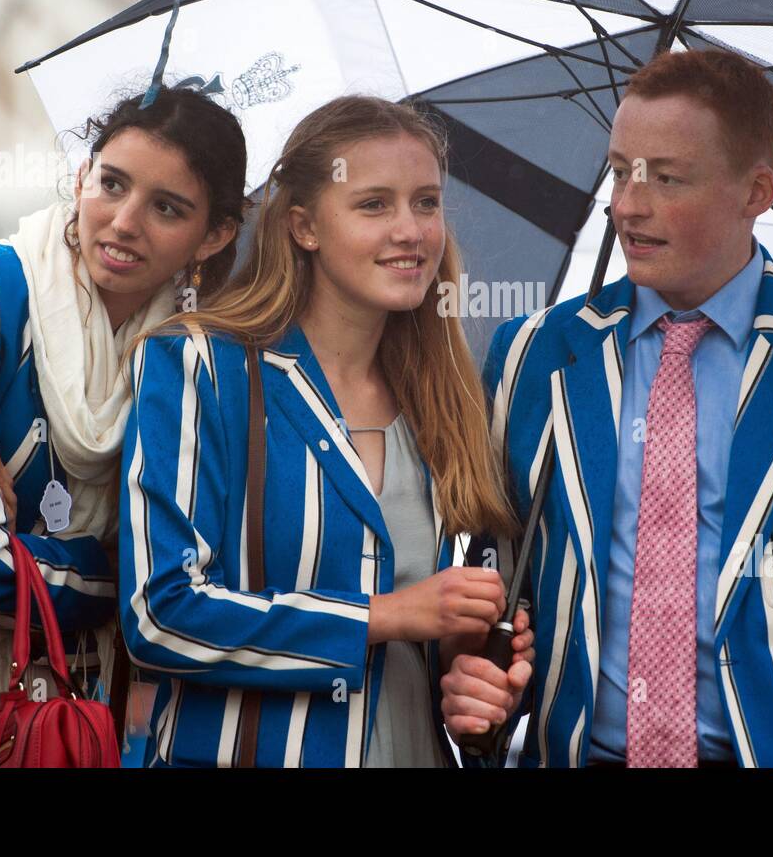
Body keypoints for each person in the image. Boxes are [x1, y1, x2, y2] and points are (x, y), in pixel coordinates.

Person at [441, 48, 773, 768]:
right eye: (620, 170)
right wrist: (474, 684)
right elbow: (489, 595)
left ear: (755, 192)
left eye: (666, 178)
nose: (628, 204)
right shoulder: (529, 356)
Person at [119, 94, 532, 768]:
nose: (412, 230)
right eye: (375, 204)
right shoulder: (199, 365)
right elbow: (160, 613)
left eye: (426, 203)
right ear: (306, 227)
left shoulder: (451, 402)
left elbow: (454, 658)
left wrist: (474, 688)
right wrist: (384, 616)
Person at [0, 86, 246, 765]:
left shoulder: (188, 364)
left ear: (214, 236)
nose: (123, 220)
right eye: (111, 183)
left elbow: (197, 584)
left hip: (52, 733)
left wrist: (22, 547)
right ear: (82, 176)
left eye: (166, 207)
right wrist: (125, 582)